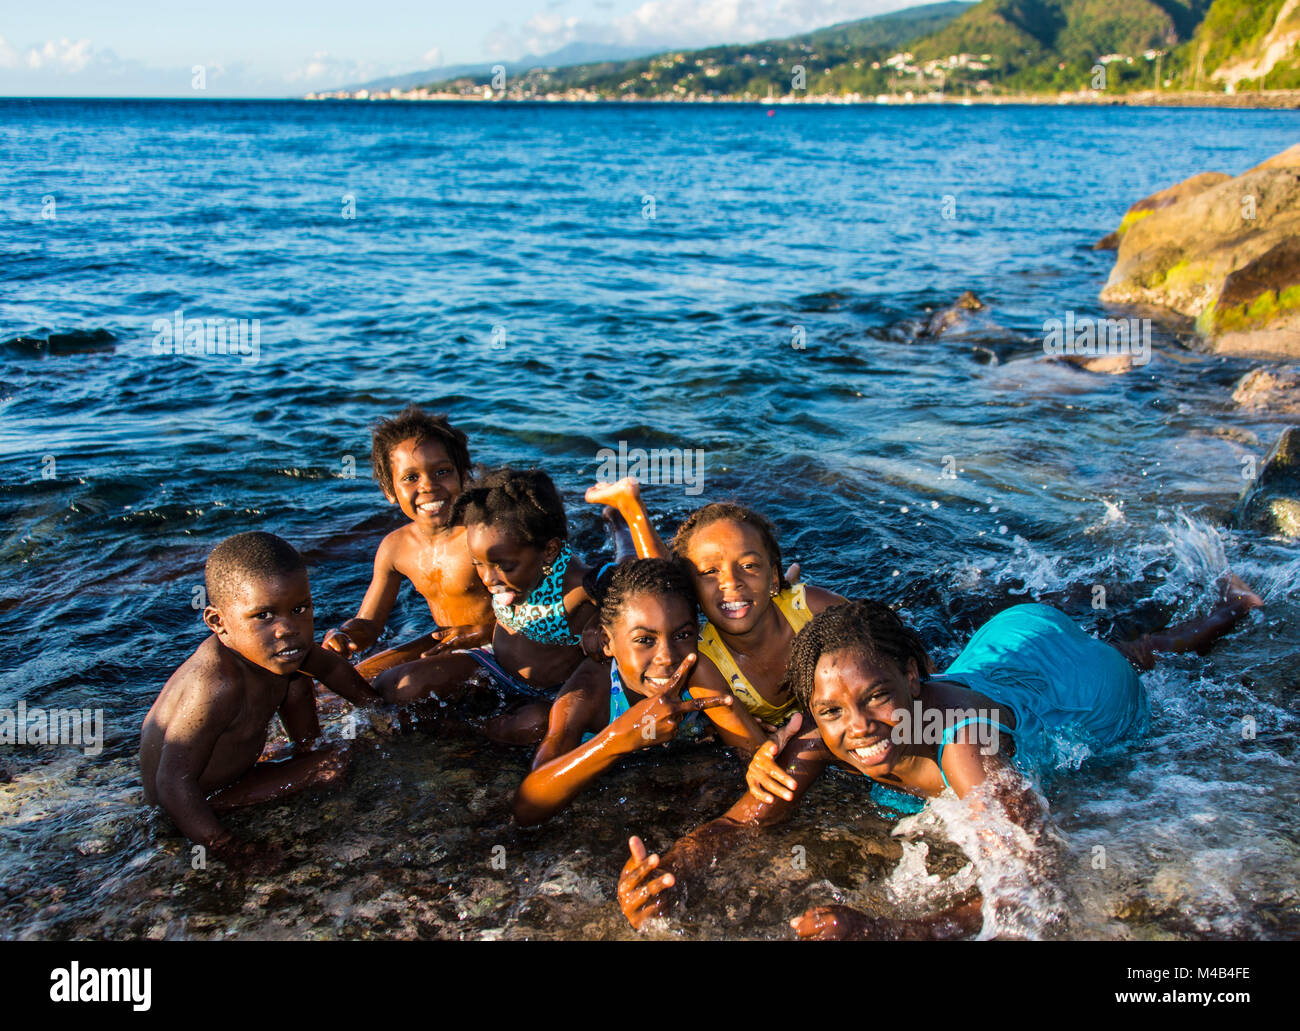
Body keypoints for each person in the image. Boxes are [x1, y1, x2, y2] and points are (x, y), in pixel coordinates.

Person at [616, 577, 1263, 939]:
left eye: (876, 698)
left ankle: (1230, 607)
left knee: (1138, 656)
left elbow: (1032, 889)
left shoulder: (965, 745)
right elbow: (741, 820)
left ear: (911, 675)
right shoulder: (827, 728)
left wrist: (889, 933)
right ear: (812, 708)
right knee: (1137, 642)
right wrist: (671, 869)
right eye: (833, 710)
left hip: (1083, 694)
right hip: (1004, 641)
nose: (859, 728)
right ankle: (1211, 609)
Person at [140, 532, 381, 868]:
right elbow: (170, 784)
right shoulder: (215, 686)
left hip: (229, 774)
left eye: (299, 609)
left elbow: (333, 670)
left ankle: (306, 748)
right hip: (196, 799)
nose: (287, 628)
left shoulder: (280, 650)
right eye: (264, 616)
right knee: (332, 763)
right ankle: (309, 760)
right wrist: (227, 847)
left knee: (295, 680)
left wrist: (383, 710)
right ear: (218, 622)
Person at [514, 559, 767, 826]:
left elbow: (756, 756)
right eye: (645, 640)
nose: (667, 658)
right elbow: (527, 807)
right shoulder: (587, 697)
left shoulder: (695, 669)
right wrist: (617, 739)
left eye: (682, 635)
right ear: (607, 642)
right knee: (530, 722)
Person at [584, 479, 845, 728]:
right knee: (655, 584)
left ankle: (630, 510)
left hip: (776, 598)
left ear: (772, 577)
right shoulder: (703, 660)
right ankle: (627, 513)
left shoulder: (816, 609)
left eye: (749, 566)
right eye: (711, 572)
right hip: (661, 589)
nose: (731, 582)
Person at [373, 468, 603, 744]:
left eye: (503, 566)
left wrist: (602, 621)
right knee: (393, 686)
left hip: (548, 691)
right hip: (493, 665)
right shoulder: (500, 558)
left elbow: (632, 582)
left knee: (533, 725)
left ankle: (473, 734)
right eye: (478, 564)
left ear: (549, 550)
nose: (488, 578)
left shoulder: (578, 582)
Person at [321, 405, 495, 678]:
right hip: (447, 641)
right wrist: (344, 635)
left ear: (464, 475)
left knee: (397, 686)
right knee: (342, 682)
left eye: (442, 472)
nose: (428, 486)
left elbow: (542, 607)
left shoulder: (483, 535)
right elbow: (369, 624)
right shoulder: (396, 547)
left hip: (501, 643)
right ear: (389, 490)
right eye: (410, 478)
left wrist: (485, 631)